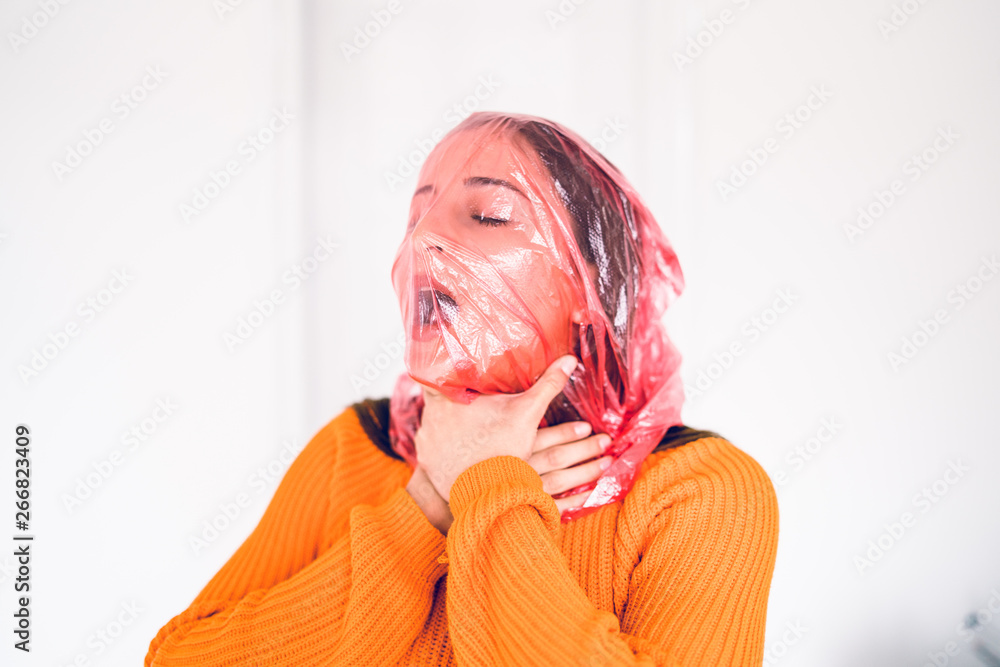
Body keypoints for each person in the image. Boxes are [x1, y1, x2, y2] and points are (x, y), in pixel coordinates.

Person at [145, 111, 779, 666]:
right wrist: (424, 504)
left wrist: (490, 485)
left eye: (487, 215)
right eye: (417, 214)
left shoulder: (700, 492)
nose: (423, 242)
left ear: (590, 291)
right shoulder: (356, 450)